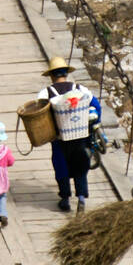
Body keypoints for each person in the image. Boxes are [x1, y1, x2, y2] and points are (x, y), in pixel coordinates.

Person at [35, 55, 101, 214]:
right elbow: (96, 106)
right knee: (80, 165)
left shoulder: (45, 93)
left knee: (61, 166)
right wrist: (94, 125)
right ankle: (81, 199)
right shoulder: (80, 89)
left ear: (51, 75)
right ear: (66, 74)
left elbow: (40, 115)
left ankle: (65, 198)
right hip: (80, 135)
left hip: (59, 138)